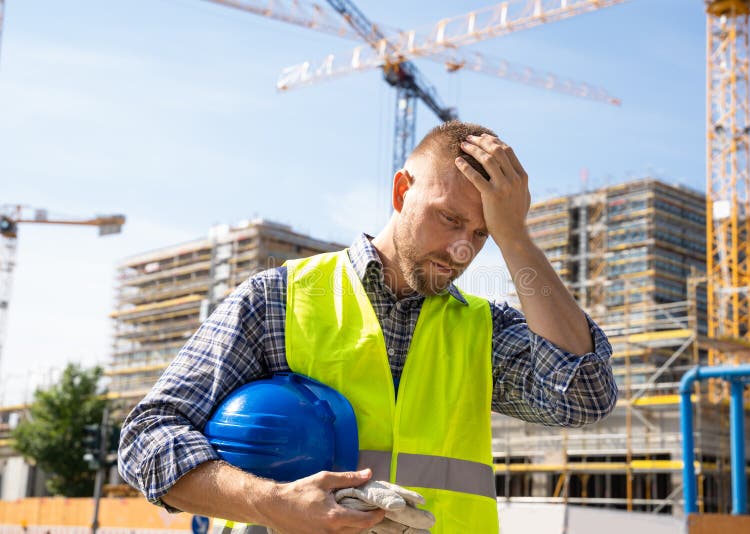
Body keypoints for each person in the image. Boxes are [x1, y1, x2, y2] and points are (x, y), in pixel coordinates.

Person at [118, 121, 617, 534]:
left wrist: (516, 236)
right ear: (402, 190)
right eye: (449, 218)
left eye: (482, 232)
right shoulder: (278, 299)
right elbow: (147, 439)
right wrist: (270, 502)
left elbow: (585, 396)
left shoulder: (481, 329)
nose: (463, 250)